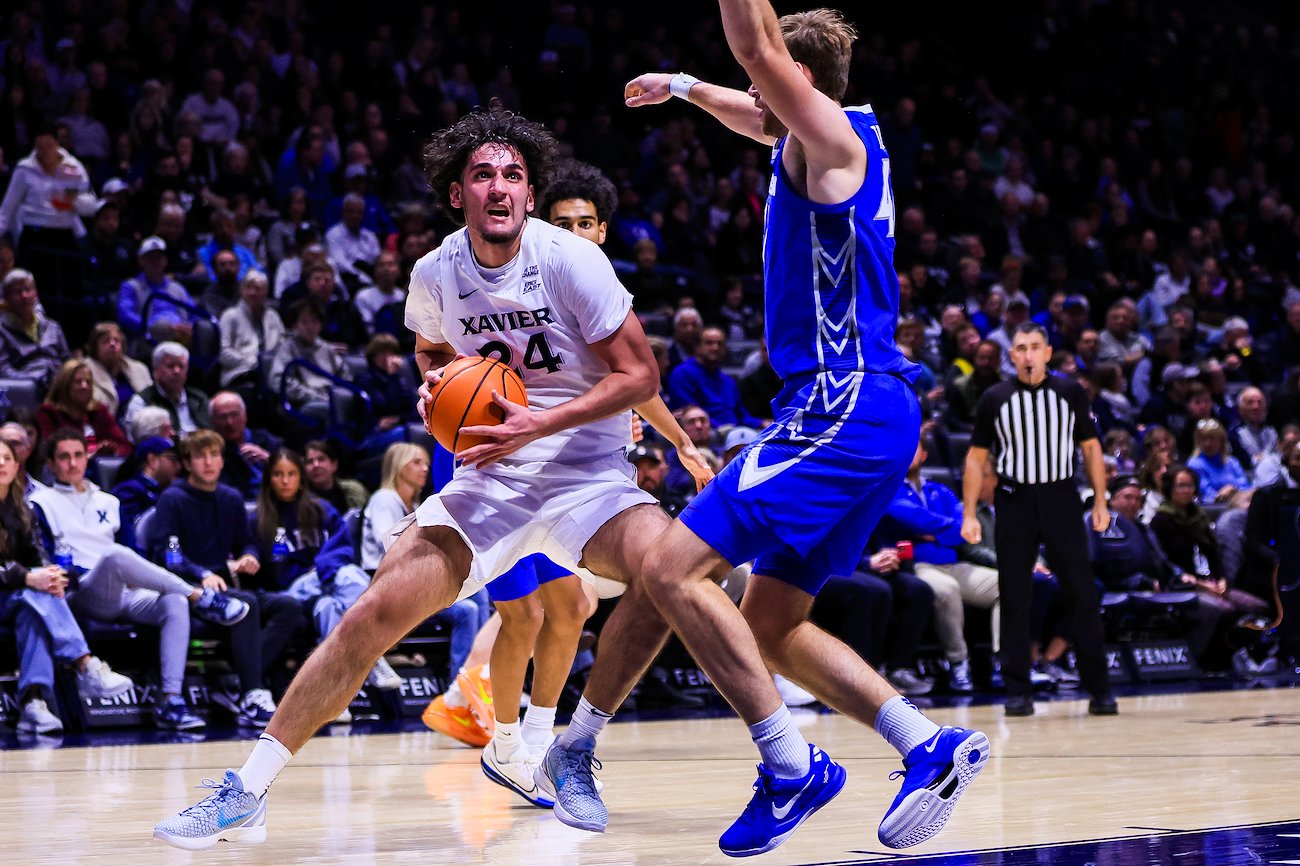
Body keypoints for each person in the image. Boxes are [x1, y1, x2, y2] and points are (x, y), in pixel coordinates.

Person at [155, 107, 681, 850]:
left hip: (585, 476)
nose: (498, 187)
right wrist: (436, 391)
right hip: (490, 480)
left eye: (513, 176)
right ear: (456, 193)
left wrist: (541, 424)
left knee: (671, 571)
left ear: (529, 195)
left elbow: (642, 374)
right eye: (482, 175)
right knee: (372, 612)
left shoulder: (570, 259)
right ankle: (247, 790)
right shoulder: (436, 272)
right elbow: (432, 352)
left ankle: (573, 745)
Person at [557, 6, 988, 854]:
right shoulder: (827, 133)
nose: (756, 96)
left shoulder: (831, 144)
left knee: (676, 569)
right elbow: (755, 109)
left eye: (768, 84)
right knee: (767, 627)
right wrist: (683, 88)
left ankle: (790, 768)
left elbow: (754, 47)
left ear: (798, 83)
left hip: (844, 400)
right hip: (856, 410)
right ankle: (924, 744)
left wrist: (737, 56)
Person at [30, 429, 249, 730]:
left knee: (172, 600)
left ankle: (171, 700)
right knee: (114, 556)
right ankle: (199, 595)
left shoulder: (108, 500)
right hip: (79, 592)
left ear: (87, 458)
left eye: (78, 455)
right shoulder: (40, 502)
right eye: (64, 457)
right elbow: (47, 560)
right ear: (51, 464)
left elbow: (136, 553)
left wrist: (136, 577)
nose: (72, 463)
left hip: (125, 589)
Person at [962, 322, 1117, 718]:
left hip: (1061, 497)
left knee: (1082, 592)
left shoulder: (1070, 392)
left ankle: (1100, 689)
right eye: (1020, 348)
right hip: (1014, 498)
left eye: (1035, 347)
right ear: (1011, 355)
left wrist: (1101, 501)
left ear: (1048, 353)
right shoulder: (994, 397)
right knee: (1015, 596)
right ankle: (1018, 691)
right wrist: (968, 513)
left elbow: (1091, 447)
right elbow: (977, 457)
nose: (1028, 354)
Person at [147, 429, 305, 728]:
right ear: (187, 462)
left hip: (226, 587)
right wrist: (201, 574)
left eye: (215, 455)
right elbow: (168, 554)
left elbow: (244, 542)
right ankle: (251, 693)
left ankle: (239, 678)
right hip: (188, 590)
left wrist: (249, 556)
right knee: (246, 604)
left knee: (289, 607)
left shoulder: (230, 497)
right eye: (200, 456)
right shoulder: (172, 499)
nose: (209, 462)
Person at [879, 438, 999, 693]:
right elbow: (907, 516)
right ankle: (958, 664)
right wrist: (939, 529)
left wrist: (930, 531)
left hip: (954, 562)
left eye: (915, 447)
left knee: (1007, 584)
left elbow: (963, 529)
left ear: (924, 455)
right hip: (919, 565)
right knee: (946, 589)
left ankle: (1003, 661)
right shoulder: (889, 489)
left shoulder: (941, 490)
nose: (909, 452)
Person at [35, 359, 132, 458]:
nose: (84, 386)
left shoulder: (99, 411)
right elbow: (48, 451)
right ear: (65, 385)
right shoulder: (48, 413)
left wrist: (112, 451)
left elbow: (125, 447)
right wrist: (87, 456)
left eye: (88, 382)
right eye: (78, 381)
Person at [0, 268, 70, 391]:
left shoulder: (52, 327)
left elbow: (67, 361)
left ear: (35, 293)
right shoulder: (2, 330)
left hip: (58, 389)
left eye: (28, 289)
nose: (24, 296)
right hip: (24, 391)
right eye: (18, 292)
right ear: (6, 298)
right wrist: (33, 380)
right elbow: (3, 371)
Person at [123, 342, 212, 436]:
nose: (176, 371)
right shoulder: (142, 401)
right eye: (170, 366)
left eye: (181, 366)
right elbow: (137, 439)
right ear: (156, 371)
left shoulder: (199, 398)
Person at [117, 236, 195, 343]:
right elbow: (125, 316)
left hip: (181, 337)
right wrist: (155, 327)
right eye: (150, 257)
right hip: (147, 339)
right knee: (161, 327)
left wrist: (190, 327)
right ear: (141, 260)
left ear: (165, 260)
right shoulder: (131, 286)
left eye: (159, 257)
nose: (155, 261)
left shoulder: (177, 287)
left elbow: (193, 312)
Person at [110, 436, 180, 552]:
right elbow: (130, 534)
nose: (178, 466)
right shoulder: (128, 490)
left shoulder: (167, 491)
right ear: (152, 460)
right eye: (171, 459)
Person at [217, 269, 284, 391]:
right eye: (248, 288)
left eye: (258, 288)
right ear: (241, 291)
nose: (253, 292)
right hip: (240, 372)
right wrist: (253, 362)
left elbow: (282, 344)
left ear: (266, 292)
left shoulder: (273, 316)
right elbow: (223, 353)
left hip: (270, 371)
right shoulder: (230, 315)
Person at [209, 391, 281, 499]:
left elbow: (292, 469)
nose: (230, 422)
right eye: (223, 417)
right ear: (212, 421)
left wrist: (270, 460)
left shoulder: (266, 439)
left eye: (235, 414)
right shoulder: (213, 453)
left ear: (245, 415)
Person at [84, 322, 151, 418]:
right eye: (106, 341)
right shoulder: (85, 370)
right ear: (95, 347)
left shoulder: (139, 369)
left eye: (116, 340)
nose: (112, 344)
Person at [303, 439, 368, 513]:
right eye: (310, 461)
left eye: (321, 459)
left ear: (334, 465)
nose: (316, 465)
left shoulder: (354, 490)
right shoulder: (302, 500)